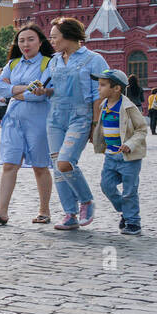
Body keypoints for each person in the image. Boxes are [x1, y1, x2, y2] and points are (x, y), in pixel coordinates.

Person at [0, 25, 55, 226]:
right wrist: (23, 89)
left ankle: (44, 210)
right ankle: (2, 211)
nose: (25, 44)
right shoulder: (13, 64)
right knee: (9, 164)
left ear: (40, 42)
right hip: (13, 121)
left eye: (30, 39)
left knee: (40, 166)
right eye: (21, 40)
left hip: (38, 121)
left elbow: (42, 92)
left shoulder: (49, 63)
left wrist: (14, 92)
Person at [42, 17, 107, 231]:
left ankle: (86, 200)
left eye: (54, 36)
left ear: (68, 35)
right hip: (55, 118)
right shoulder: (54, 60)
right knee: (56, 167)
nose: (51, 40)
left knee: (65, 161)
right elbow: (51, 87)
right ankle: (69, 213)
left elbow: (100, 94)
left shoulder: (93, 59)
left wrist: (96, 123)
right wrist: (43, 91)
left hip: (81, 116)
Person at [91, 68, 147, 235]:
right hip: (111, 156)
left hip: (129, 158)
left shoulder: (128, 107)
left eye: (102, 85)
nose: (98, 88)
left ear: (116, 88)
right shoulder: (104, 105)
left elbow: (142, 129)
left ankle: (133, 222)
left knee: (130, 191)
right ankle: (126, 212)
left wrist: (130, 143)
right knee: (106, 186)